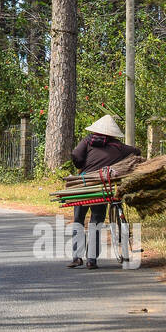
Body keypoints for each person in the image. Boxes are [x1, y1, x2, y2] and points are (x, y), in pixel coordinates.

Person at [66, 115, 140, 269]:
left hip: (83, 184)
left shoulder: (88, 141)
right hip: (102, 186)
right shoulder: (119, 147)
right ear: (112, 133)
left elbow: (76, 157)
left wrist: (82, 165)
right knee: (96, 220)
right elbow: (136, 151)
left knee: (78, 219)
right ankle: (91, 260)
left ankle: (76, 257)